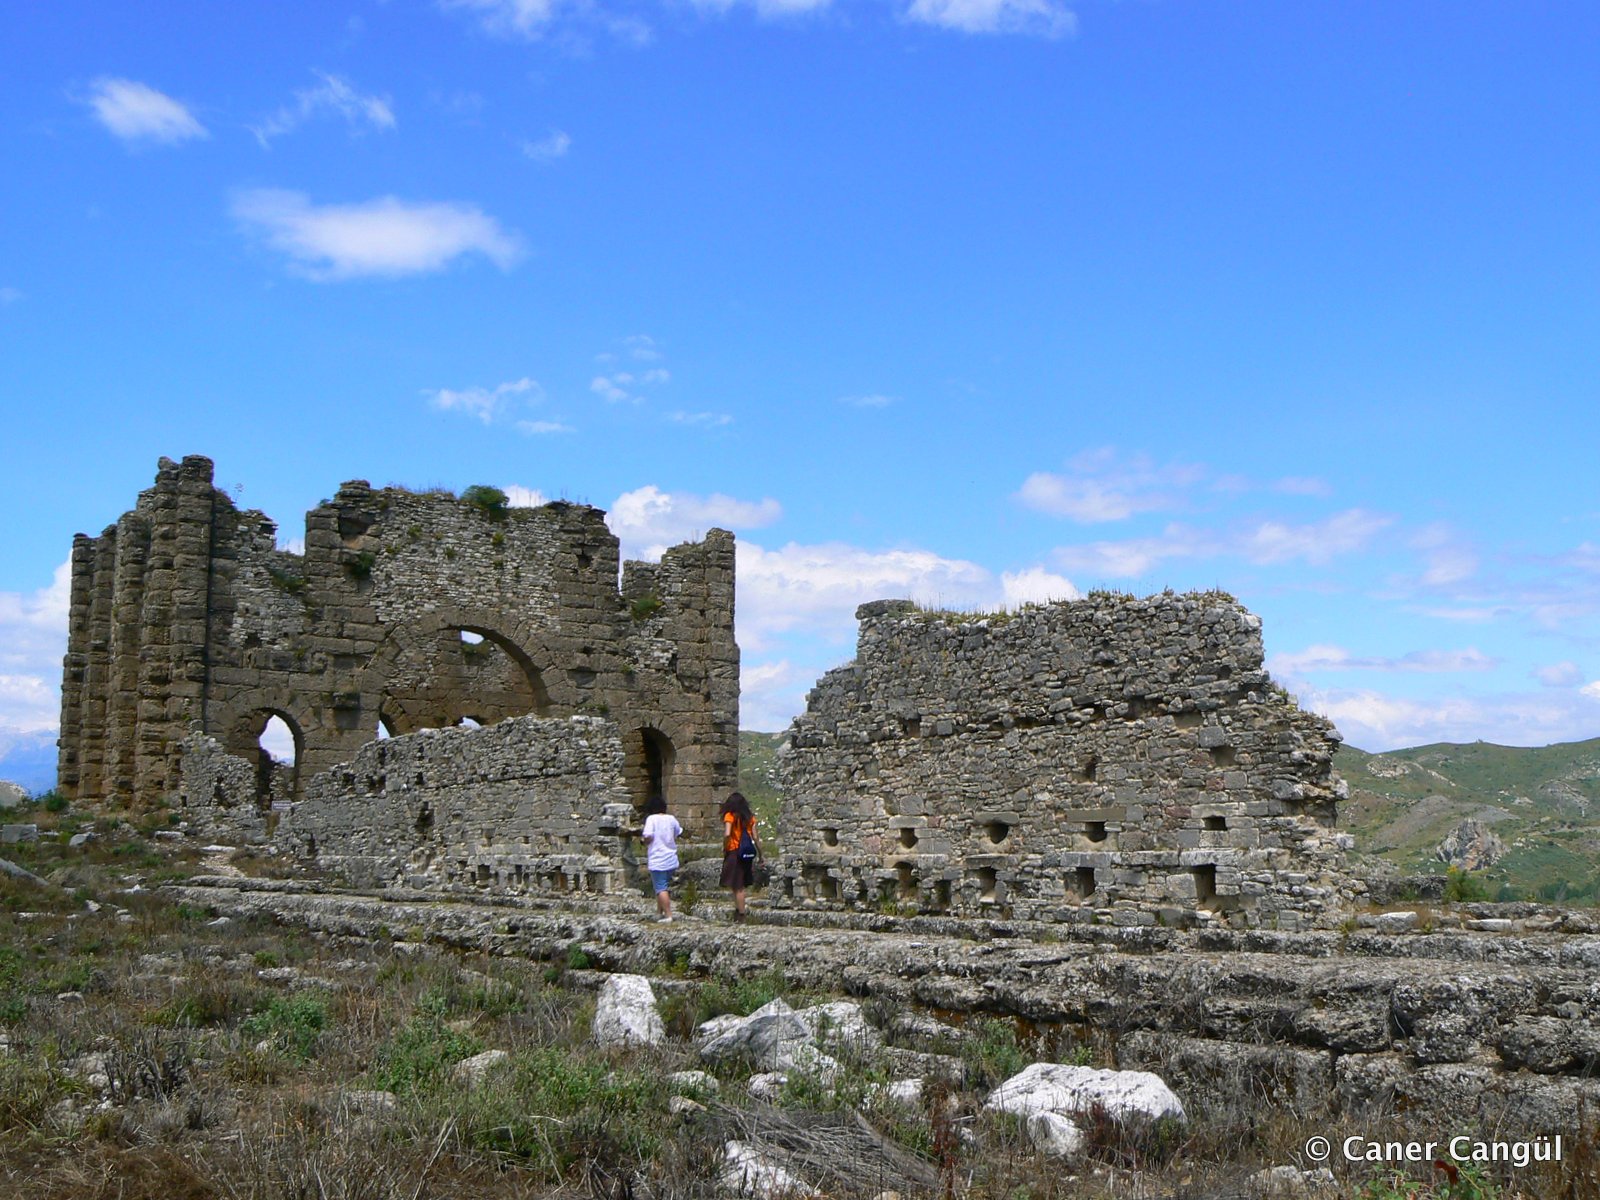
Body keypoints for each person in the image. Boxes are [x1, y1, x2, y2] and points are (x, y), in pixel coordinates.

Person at [719, 792, 762, 922]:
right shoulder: (750, 818)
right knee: (740, 883)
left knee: (737, 886)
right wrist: (761, 854)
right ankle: (738, 911)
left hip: (734, 851)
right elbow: (755, 837)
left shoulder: (730, 816)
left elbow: (727, 834)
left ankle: (741, 914)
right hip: (746, 852)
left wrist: (725, 846)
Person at [640, 794, 682, 923]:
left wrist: (643, 841)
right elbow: (678, 832)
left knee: (660, 888)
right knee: (662, 885)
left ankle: (668, 915)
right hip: (671, 858)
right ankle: (659, 912)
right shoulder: (671, 818)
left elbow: (648, 836)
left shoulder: (651, 819)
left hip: (658, 859)